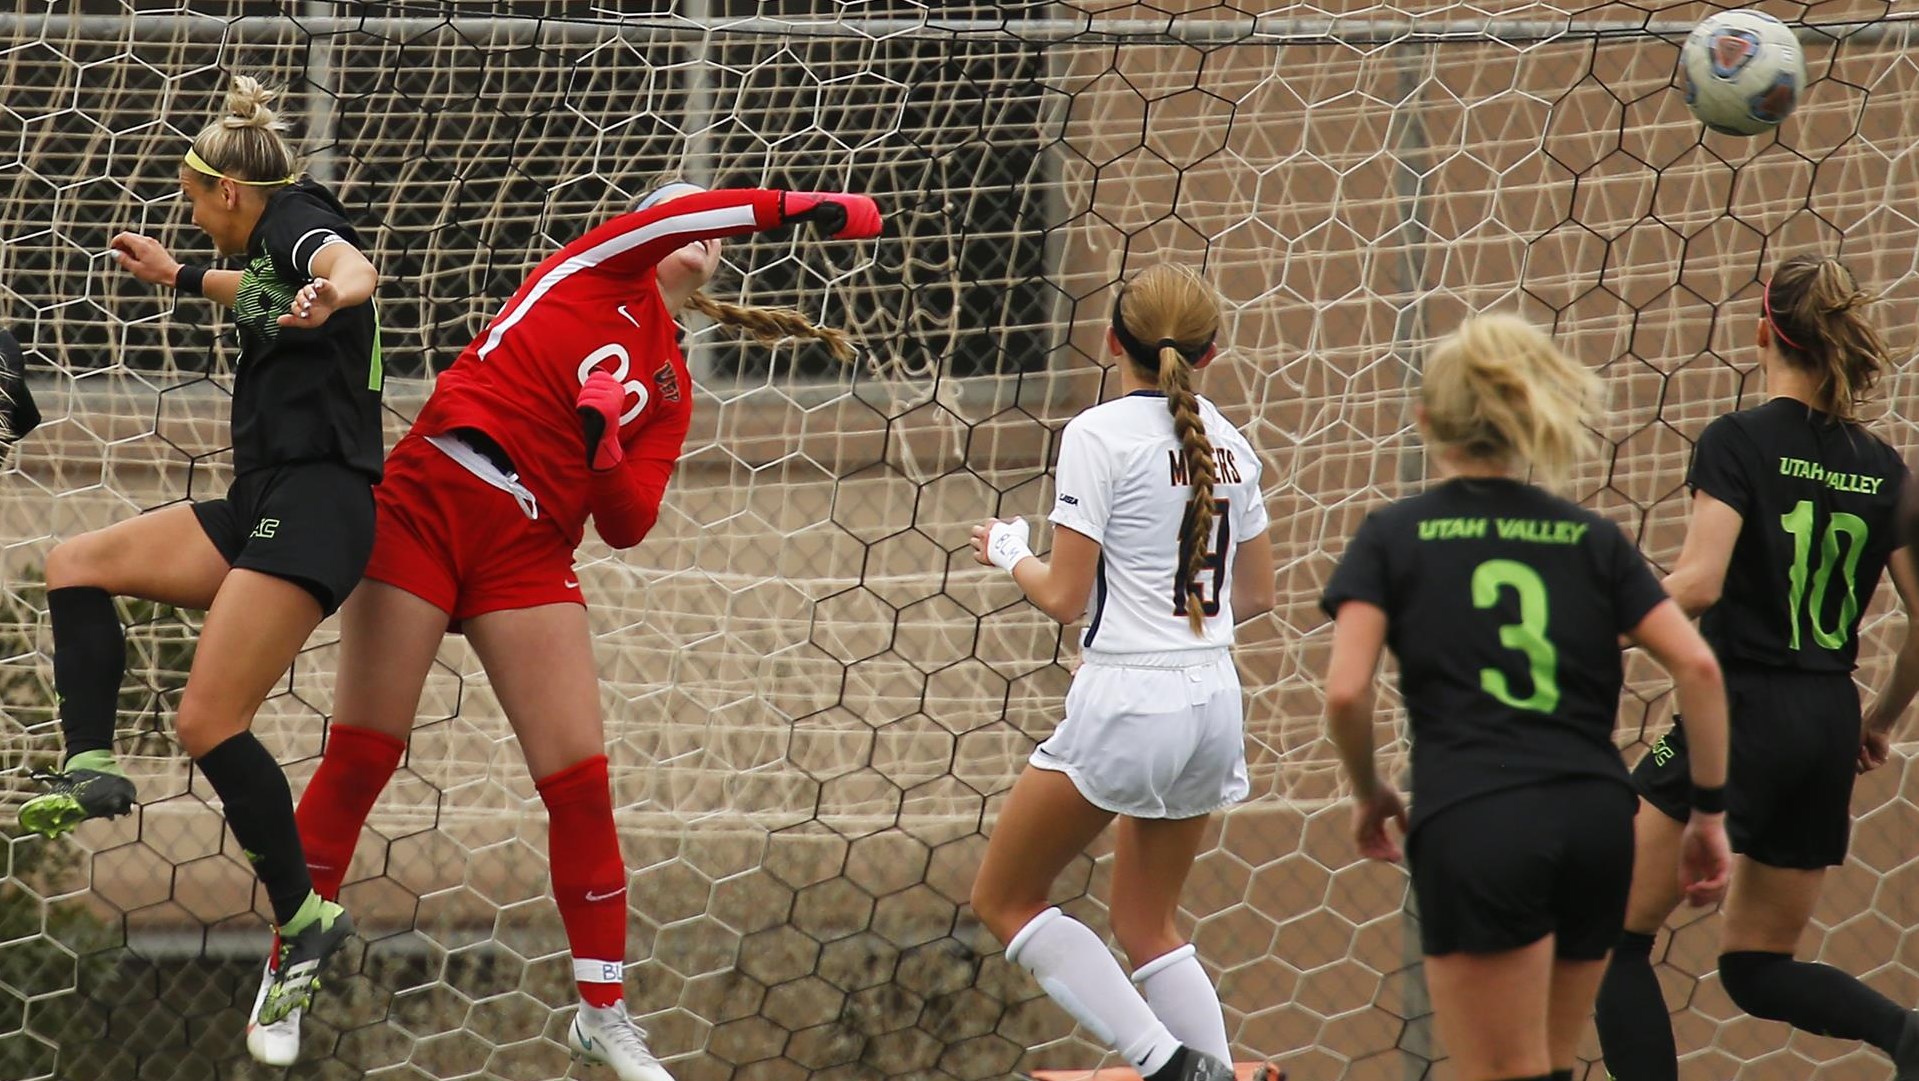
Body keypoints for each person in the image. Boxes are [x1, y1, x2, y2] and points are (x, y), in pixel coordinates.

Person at [242, 182, 880, 1074]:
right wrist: (793, 205)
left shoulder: (670, 382)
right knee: (363, 754)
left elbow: (627, 522)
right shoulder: (596, 265)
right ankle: (286, 970)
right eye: (689, 216)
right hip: (429, 500)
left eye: (716, 231)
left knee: (579, 779)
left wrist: (603, 443)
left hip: (530, 545)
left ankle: (603, 1009)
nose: (703, 233)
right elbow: (680, 216)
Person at [17, 76, 383, 1024]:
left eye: (191, 202)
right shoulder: (263, 251)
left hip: (317, 503)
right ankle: (92, 761)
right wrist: (176, 273)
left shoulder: (297, 220)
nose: (193, 216)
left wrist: (329, 292)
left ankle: (302, 917)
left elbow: (353, 269)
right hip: (263, 498)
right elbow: (253, 289)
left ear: (229, 191)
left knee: (206, 720)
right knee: (77, 564)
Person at [1320, 314, 1733, 1081]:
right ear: (1534, 416)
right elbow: (1698, 670)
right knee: (1545, 1061)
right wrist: (1706, 814)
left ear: (1425, 420)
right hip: (1593, 821)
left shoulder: (1393, 535)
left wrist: (1367, 789)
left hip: (1478, 818)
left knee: (1498, 1069)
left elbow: (1346, 691)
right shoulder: (1592, 539)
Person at [1594, 256, 1919, 1081]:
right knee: (1754, 965)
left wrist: (1599, 628)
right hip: (1825, 717)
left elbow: (1698, 583)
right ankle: (1907, 1037)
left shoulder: (1736, 439)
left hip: (1740, 709)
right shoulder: (1882, 465)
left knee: (1609, 937)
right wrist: (1877, 718)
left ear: (1763, 332)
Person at [966, 263, 1276, 1081]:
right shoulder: (1232, 444)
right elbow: (1259, 594)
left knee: (1005, 898)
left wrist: (1011, 553)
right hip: (1214, 695)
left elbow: (1063, 597)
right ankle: (1207, 1071)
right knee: (1149, 922)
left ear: (1111, 342)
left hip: (1129, 696)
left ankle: (1164, 1064)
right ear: (1210, 353)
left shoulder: (1096, 435)